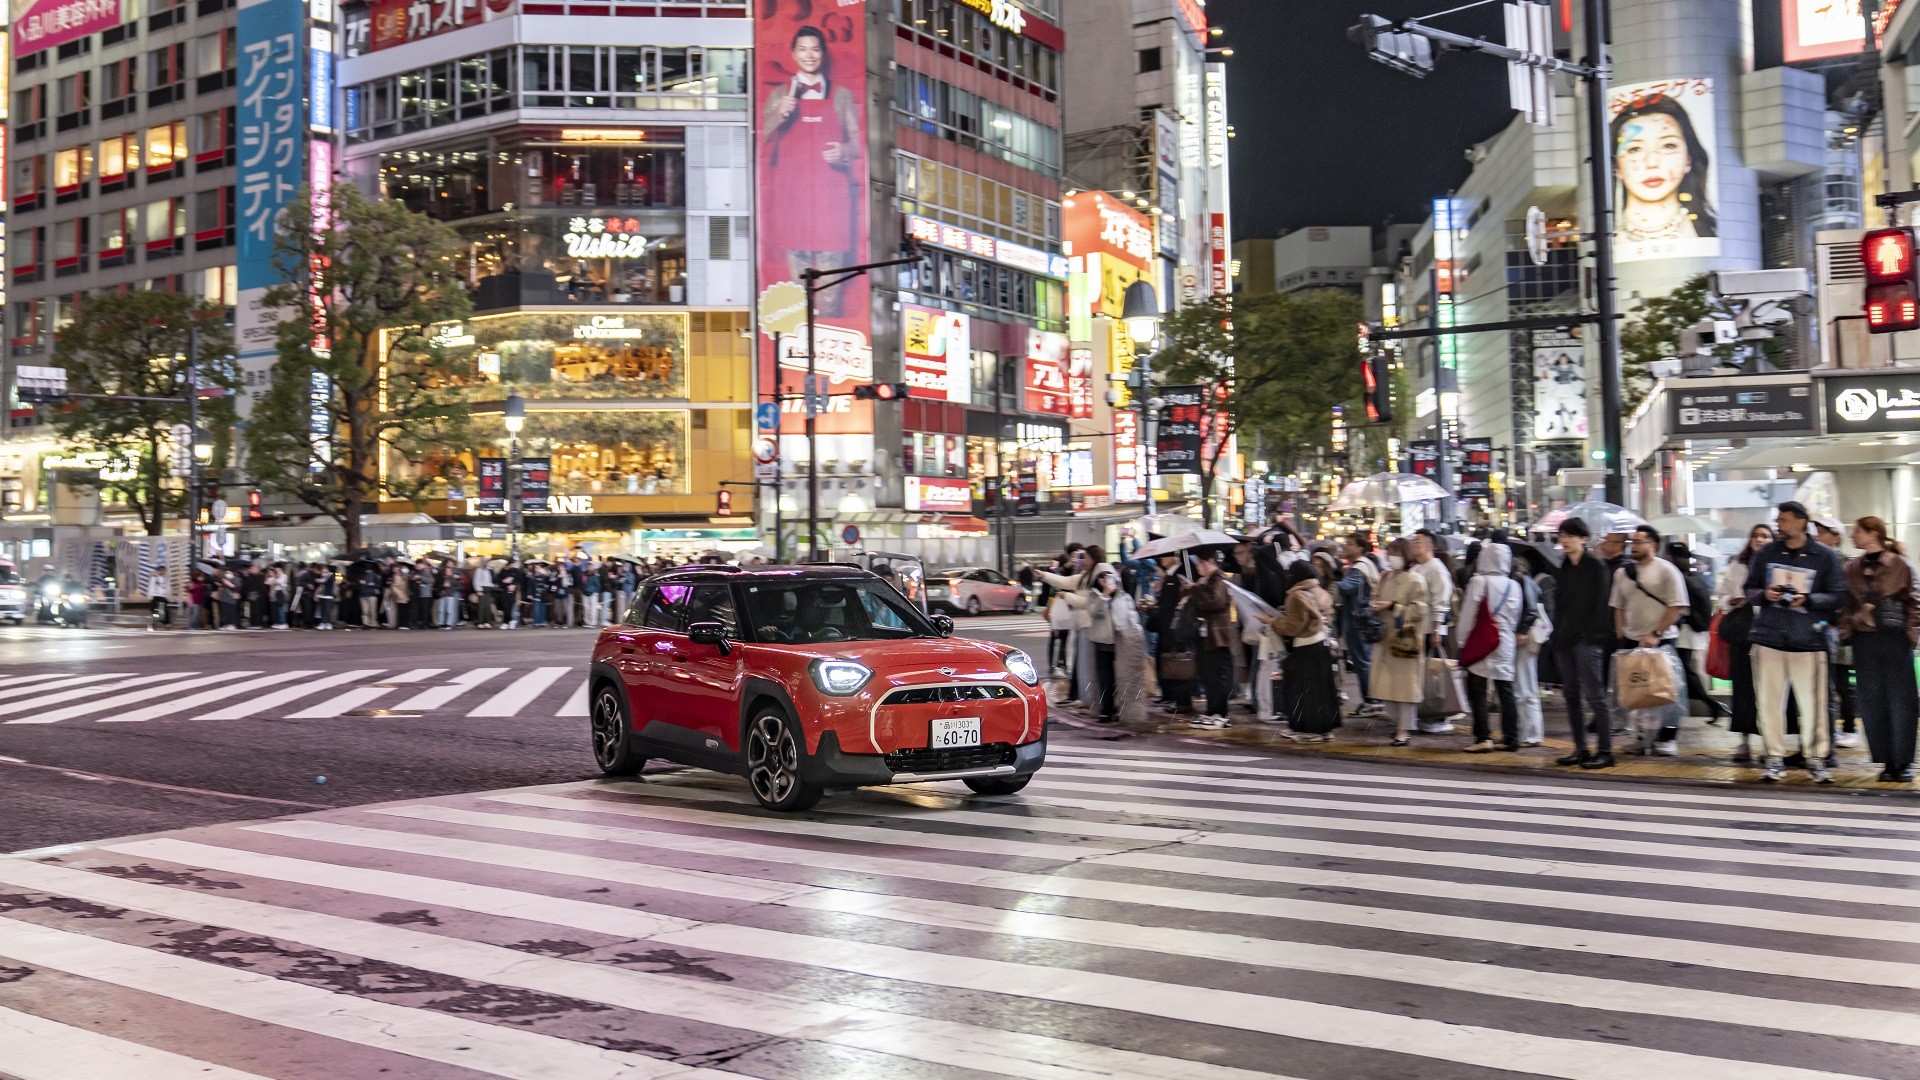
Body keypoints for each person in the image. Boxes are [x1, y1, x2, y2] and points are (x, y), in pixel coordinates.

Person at [1745, 502, 1845, 782]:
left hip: (1809, 639)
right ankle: (1774, 758)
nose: (1779, 525)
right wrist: (1766, 594)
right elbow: (1749, 589)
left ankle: (1816, 759)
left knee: (1813, 704)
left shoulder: (1824, 556)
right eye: (1778, 520)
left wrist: (1809, 599)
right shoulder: (1767, 552)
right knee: (1768, 702)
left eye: (1785, 520)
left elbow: (1838, 595)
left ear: (1802, 522)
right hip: (1768, 637)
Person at [761, 25, 861, 308]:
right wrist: (779, 113)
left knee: (830, 276)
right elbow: (761, 137)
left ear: (822, 53)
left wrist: (843, 151)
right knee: (798, 286)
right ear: (793, 53)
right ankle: (800, 330)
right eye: (803, 49)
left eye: (815, 49)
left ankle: (828, 321)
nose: (809, 55)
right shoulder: (778, 95)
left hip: (831, 199)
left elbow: (856, 144)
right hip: (793, 197)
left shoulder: (840, 95)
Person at [1837, 516, 1919, 783]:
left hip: (1895, 639)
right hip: (1864, 640)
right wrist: (1848, 630)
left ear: (1873, 534)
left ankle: (1903, 762)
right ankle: (1886, 761)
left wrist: (1911, 635)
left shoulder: (1900, 564)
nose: (1853, 536)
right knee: (1872, 702)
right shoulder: (1851, 567)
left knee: (1902, 703)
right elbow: (1846, 604)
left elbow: (1915, 601)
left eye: (1858, 531)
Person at [1611, 524, 1690, 755]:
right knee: (1636, 690)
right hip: (1632, 640)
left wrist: (1655, 633)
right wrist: (1621, 633)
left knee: (1665, 691)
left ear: (1652, 545)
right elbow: (1618, 606)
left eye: (1638, 542)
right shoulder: (1622, 573)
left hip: (1661, 640)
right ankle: (1641, 737)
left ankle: (1668, 738)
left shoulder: (1667, 570)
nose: (1633, 546)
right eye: (1632, 542)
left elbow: (1676, 607)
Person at [1610, 91, 1718, 248]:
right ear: (1616, 166)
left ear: (1688, 159)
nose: (1652, 162)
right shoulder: (1608, 243)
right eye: (1635, 149)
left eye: (1668, 146)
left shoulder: (1707, 234)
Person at [1548, 518, 1615, 769]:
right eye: (1562, 535)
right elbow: (1560, 606)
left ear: (1583, 539)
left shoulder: (1595, 567)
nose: (1564, 540)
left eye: (1570, 535)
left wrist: (1591, 636)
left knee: (1595, 696)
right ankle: (1581, 748)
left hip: (1587, 641)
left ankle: (1606, 751)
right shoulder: (1564, 567)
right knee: (1571, 695)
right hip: (1565, 641)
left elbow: (1601, 606)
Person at [1458, 542, 1524, 753]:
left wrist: (1462, 640)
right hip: (1504, 642)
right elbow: (1515, 616)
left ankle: (1483, 737)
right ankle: (1511, 738)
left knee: (1477, 688)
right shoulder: (1514, 584)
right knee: (1505, 690)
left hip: (1482, 641)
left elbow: (1469, 614)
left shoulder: (1479, 581)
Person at [1718, 523, 1773, 761]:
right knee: (1743, 687)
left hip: (1771, 632)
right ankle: (1744, 740)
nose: (1760, 539)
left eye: (1765, 535)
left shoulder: (1777, 564)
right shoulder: (1738, 566)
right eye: (1756, 535)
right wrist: (1734, 600)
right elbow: (1722, 597)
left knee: (1770, 688)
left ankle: (1770, 742)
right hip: (1744, 631)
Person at [1369, 538, 1431, 746]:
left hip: (1406, 640)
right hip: (1385, 638)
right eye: (1389, 553)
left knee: (1405, 687)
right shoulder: (1385, 577)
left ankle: (1404, 729)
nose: (1391, 557)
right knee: (1386, 686)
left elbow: (1420, 610)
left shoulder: (1415, 580)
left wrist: (1393, 606)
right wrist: (1375, 605)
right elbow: (1375, 596)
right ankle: (1401, 725)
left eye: (1395, 553)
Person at [1272, 559, 1340, 741]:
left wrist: (1272, 621)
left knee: (1305, 690)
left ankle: (1310, 730)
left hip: (1305, 647)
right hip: (1322, 645)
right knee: (1321, 689)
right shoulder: (1320, 592)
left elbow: (1294, 627)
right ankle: (1325, 729)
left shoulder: (1295, 596)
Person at [1664, 541, 1729, 724]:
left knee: (1683, 670)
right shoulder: (1694, 577)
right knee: (1683, 670)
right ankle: (1710, 704)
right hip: (1691, 630)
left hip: (1685, 631)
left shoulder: (1680, 578)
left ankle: (1711, 704)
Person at [1814, 517, 1862, 750]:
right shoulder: (1817, 560)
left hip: (1842, 631)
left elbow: (1852, 598)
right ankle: (1829, 730)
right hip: (1820, 630)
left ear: (1837, 537)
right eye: (1817, 531)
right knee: (1827, 683)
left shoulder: (1847, 563)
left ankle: (1850, 728)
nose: (1817, 535)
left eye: (1823, 532)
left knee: (1843, 683)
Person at [1409, 530, 1455, 735]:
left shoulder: (1437, 569)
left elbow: (1441, 602)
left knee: (1434, 677)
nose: (1413, 545)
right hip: (1418, 629)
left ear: (1429, 546)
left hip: (1431, 630)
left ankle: (1437, 716)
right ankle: (1425, 714)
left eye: (1417, 541)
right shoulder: (1418, 567)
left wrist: (1436, 630)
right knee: (1422, 675)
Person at [1336, 532, 1382, 717]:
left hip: (1359, 621)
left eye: (1350, 544)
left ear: (1361, 548)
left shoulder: (1360, 568)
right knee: (1364, 659)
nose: (1345, 546)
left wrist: (1329, 577)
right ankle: (1371, 699)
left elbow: (1346, 587)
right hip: (1360, 619)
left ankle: (1371, 700)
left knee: (1362, 661)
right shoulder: (1361, 566)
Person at [1188, 549, 1236, 726]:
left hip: (1217, 637)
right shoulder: (1208, 580)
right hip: (1208, 635)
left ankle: (1219, 712)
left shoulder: (1219, 580)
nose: (1198, 567)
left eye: (1200, 563)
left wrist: (1195, 589)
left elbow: (1214, 601)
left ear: (1209, 562)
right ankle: (1212, 710)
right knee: (1208, 675)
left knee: (1215, 676)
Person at [1085, 567, 1127, 723]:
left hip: (1120, 640)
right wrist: (1104, 595)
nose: (1105, 580)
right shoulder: (1093, 594)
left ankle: (1118, 707)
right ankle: (1105, 709)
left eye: (1108, 576)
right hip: (1102, 641)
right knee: (1105, 677)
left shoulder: (1120, 594)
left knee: (1120, 676)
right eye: (1101, 577)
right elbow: (1093, 612)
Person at [472, 560, 497, 628]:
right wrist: (478, 590)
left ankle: (487, 621)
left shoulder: (489, 570)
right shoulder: (479, 570)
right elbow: (476, 580)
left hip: (488, 588)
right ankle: (481, 622)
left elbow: (492, 579)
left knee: (487, 606)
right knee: (481, 606)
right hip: (482, 588)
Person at [314, 563, 337, 630]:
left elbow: (325, 582)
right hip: (321, 595)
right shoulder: (321, 575)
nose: (323, 570)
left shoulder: (331, 575)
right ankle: (323, 623)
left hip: (328, 595)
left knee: (327, 610)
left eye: (324, 569)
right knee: (322, 610)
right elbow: (317, 581)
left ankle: (328, 623)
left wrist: (320, 580)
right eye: (322, 569)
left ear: (327, 569)